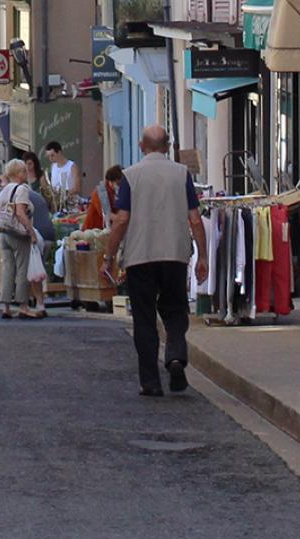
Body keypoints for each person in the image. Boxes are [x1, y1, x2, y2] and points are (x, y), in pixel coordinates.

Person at [103, 125, 208, 397]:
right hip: (174, 253)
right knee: (175, 309)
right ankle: (174, 355)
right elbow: (195, 219)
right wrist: (203, 255)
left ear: (141, 146)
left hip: (140, 256)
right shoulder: (181, 174)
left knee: (145, 317)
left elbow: (122, 219)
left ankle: (150, 381)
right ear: (167, 145)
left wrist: (109, 256)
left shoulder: (130, 176)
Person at [0, 159, 41, 319]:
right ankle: (23, 305)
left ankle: (6, 306)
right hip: (17, 234)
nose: (25, 174)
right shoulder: (22, 189)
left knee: (7, 269)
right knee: (22, 268)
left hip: (4, 233)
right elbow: (20, 213)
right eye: (23, 171)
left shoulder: (4, 190)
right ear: (16, 174)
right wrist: (31, 231)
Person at [25, 168, 56, 316]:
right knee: (39, 267)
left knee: (33, 270)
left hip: (38, 236)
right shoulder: (36, 195)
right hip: (49, 234)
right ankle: (38, 299)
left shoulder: (21, 196)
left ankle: (38, 302)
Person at [82, 165, 124, 231]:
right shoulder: (100, 192)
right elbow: (106, 213)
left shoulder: (114, 192)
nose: (120, 186)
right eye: (118, 183)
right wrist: (121, 219)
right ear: (111, 181)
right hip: (92, 230)